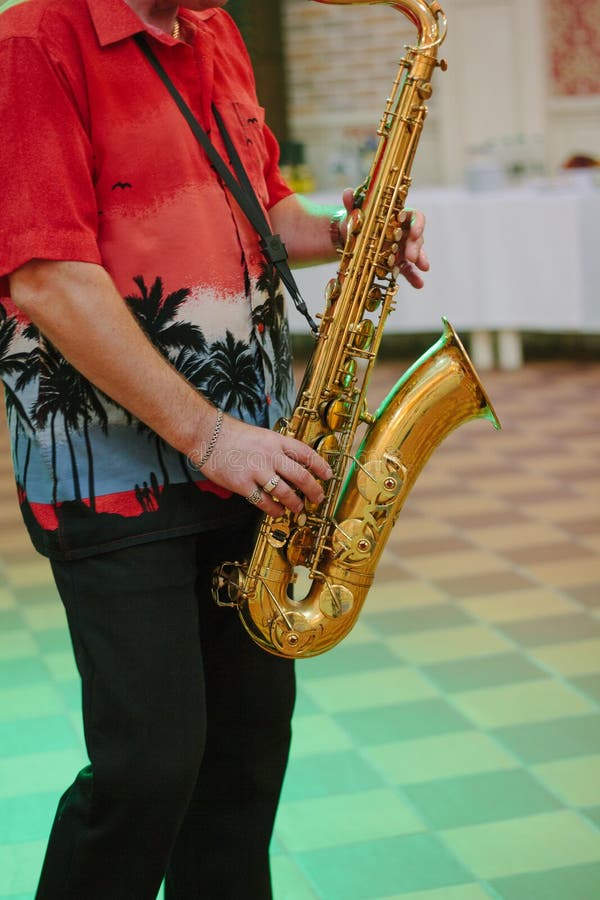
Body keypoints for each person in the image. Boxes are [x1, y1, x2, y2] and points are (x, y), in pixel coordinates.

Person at [0, 0, 429, 896]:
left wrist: (347, 231)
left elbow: (262, 206)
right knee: (149, 771)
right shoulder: (32, 41)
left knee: (243, 768)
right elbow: (46, 276)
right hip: (116, 480)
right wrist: (210, 435)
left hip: (250, 464)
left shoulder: (213, 29)